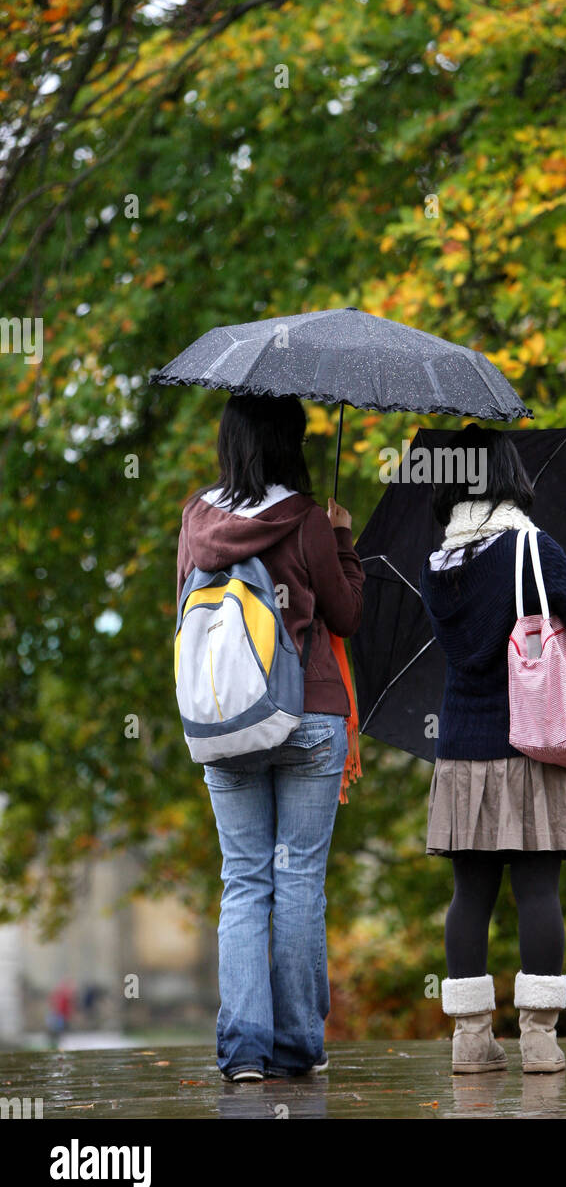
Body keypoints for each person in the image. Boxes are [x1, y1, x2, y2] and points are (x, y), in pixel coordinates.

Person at [176, 393, 364, 1082]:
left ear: (230, 443)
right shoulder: (308, 519)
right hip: (308, 715)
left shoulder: (197, 520)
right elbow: (346, 617)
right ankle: (296, 1044)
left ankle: (244, 1050)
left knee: (245, 880)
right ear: (293, 445)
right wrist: (341, 541)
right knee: (298, 881)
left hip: (226, 719)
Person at [419, 425, 566, 1075]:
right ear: (506, 474)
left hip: (462, 750)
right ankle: (540, 1041)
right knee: (537, 892)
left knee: (469, 896)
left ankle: (470, 1041)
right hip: (534, 743)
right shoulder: (532, 545)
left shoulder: (437, 565)